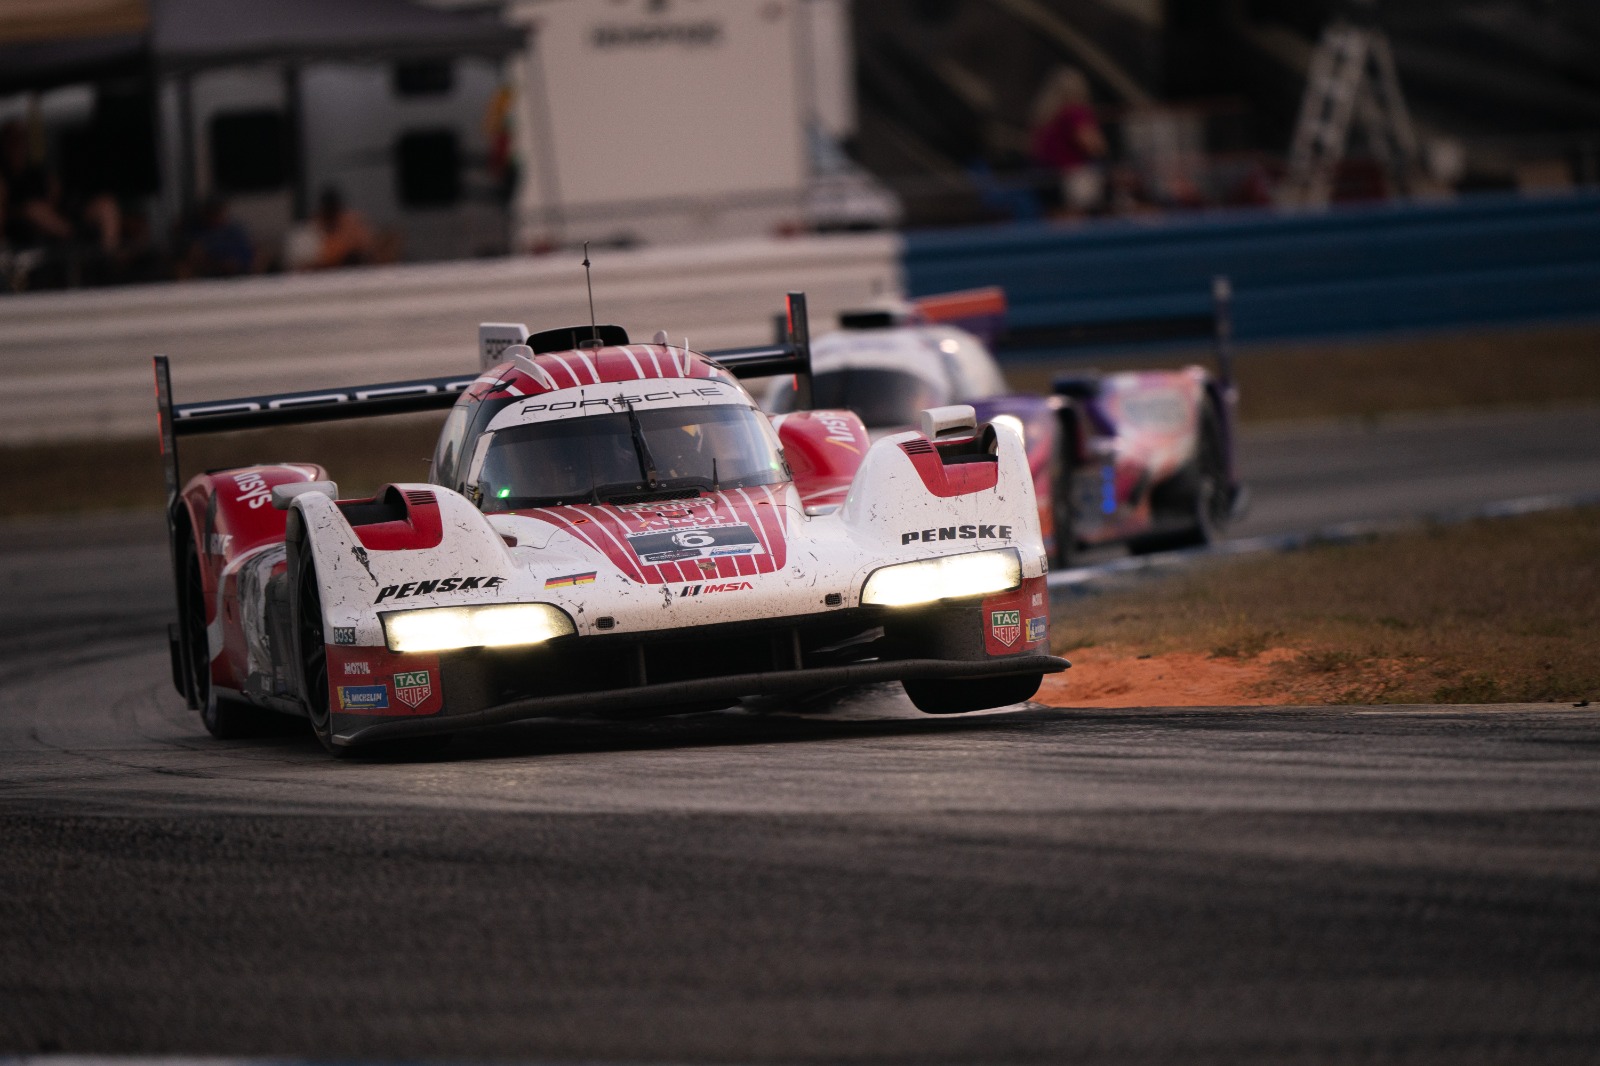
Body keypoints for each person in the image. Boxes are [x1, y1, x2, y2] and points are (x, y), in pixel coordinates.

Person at [1028, 67, 1109, 217]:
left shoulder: (1044, 114)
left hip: (1043, 178)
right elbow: (1093, 146)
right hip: (1067, 180)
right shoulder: (1075, 112)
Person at [307, 186, 376, 269]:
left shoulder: (352, 223)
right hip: (325, 274)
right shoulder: (313, 227)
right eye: (328, 211)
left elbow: (368, 251)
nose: (331, 215)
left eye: (333, 210)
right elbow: (310, 263)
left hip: (356, 272)